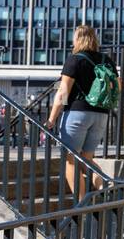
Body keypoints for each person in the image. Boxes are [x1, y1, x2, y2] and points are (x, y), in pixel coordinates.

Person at [46, 25, 116, 199]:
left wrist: (52, 118)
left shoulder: (74, 59)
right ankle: (106, 190)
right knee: (87, 159)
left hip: (77, 113)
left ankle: (82, 206)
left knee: (71, 161)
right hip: (101, 114)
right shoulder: (106, 60)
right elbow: (117, 86)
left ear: (78, 39)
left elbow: (62, 92)